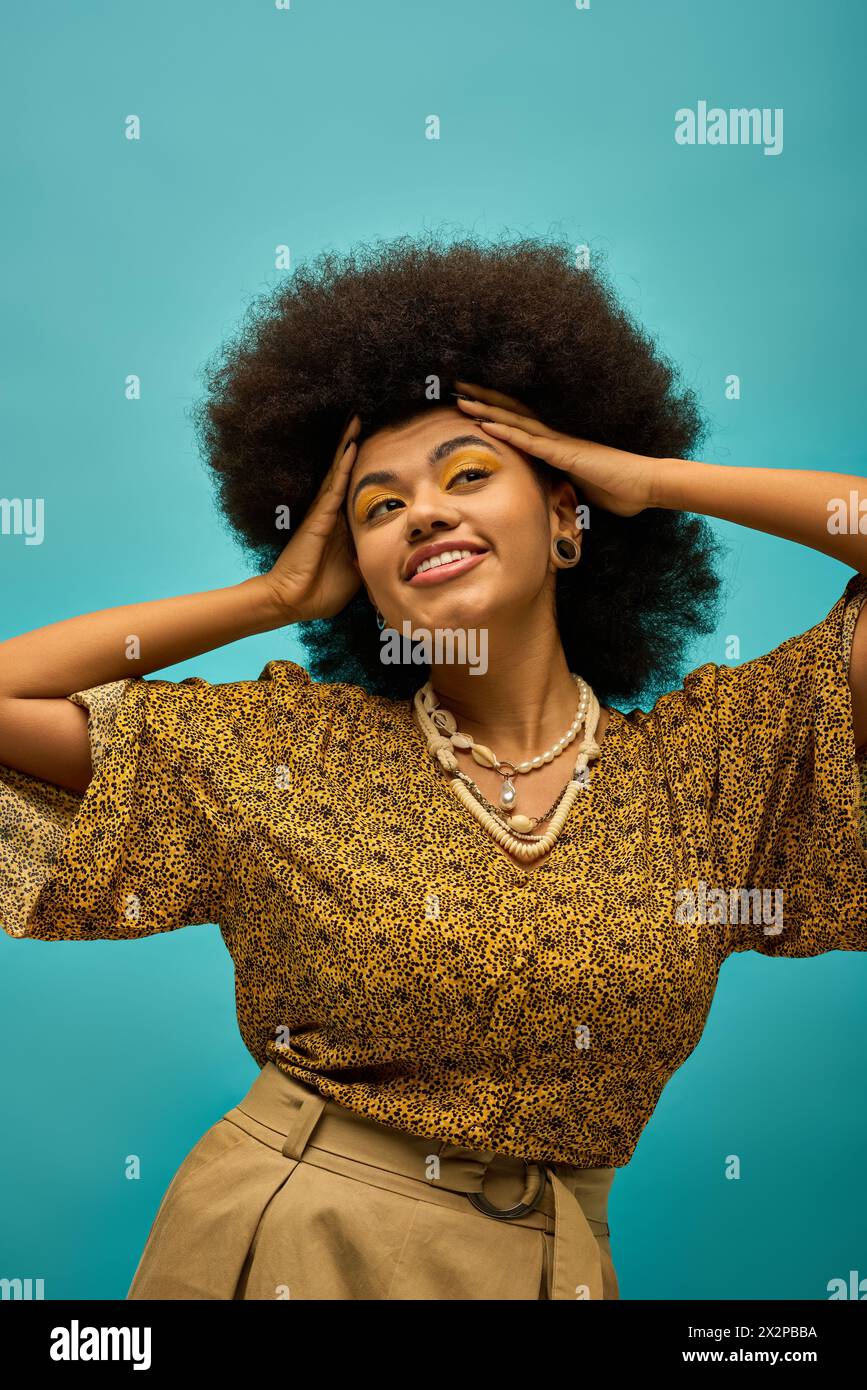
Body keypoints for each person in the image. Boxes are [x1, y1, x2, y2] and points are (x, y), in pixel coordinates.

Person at [2, 232, 866, 1301]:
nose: (427, 511)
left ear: (565, 519)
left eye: (468, 473)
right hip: (296, 1247)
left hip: (557, 1266)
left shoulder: (713, 772)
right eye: (379, 505)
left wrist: (651, 479)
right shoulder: (285, 754)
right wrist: (270, 600)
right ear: (358, 573)